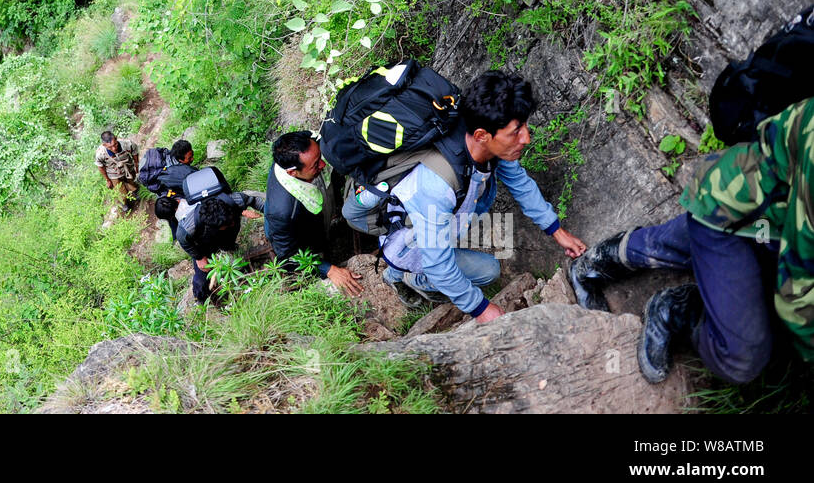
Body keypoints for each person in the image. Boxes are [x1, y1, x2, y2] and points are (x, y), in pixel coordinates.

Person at [569, 96, 814, 384]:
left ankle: (670, 301)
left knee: (693, 239)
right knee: (742, 359)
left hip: (768, 220)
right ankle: (606, 269)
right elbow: (798, 284)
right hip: (741, 206)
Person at [342, 71, 587, 321]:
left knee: (443, 248)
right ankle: (407, 276)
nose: (527, 138)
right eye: (515, 131)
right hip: (408, 244)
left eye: (524, 125)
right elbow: (438, 264)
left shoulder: (479, 139)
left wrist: (556, 230)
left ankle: (397, 272)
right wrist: (480, 308)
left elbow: (519, 183)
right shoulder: (436, 186)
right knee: (487, 272)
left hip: (429, 226)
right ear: (482, 135)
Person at [265, 131, 365, 298]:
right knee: (316, 246)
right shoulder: (283, 212)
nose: (323, 165)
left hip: (312, 203)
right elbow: (288, 255)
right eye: (315, 164)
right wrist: (329, 269)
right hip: (298, 231)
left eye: (320, 157)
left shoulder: (298, 149)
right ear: (292, 173)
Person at [177, 188, 265, 304]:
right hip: (203, 243)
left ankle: (228, 248)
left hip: (227, 235)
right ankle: (200, 300)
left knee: (228, 244)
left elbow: (254, 200)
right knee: (201, 279)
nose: (231, 223)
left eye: (231, 221)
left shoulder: (234, 200)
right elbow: (183, 240)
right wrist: (199, 257)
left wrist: (271, 213)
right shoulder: (190, 226)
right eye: (226, 224)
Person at [95, 130, 140, 208]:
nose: (114, 148)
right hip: (114, 173)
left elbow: (135, 152)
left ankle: (133, 192)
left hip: (128, 168)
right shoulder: (100, 154)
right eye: (110, 147)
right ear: (104, 145)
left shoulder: (127, 144)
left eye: (115, 144)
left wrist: (136, 165)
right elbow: (100, 167)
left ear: (116, 138)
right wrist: (108, 180)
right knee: (120, 191)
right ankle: (124, 203)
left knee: (131, 182)